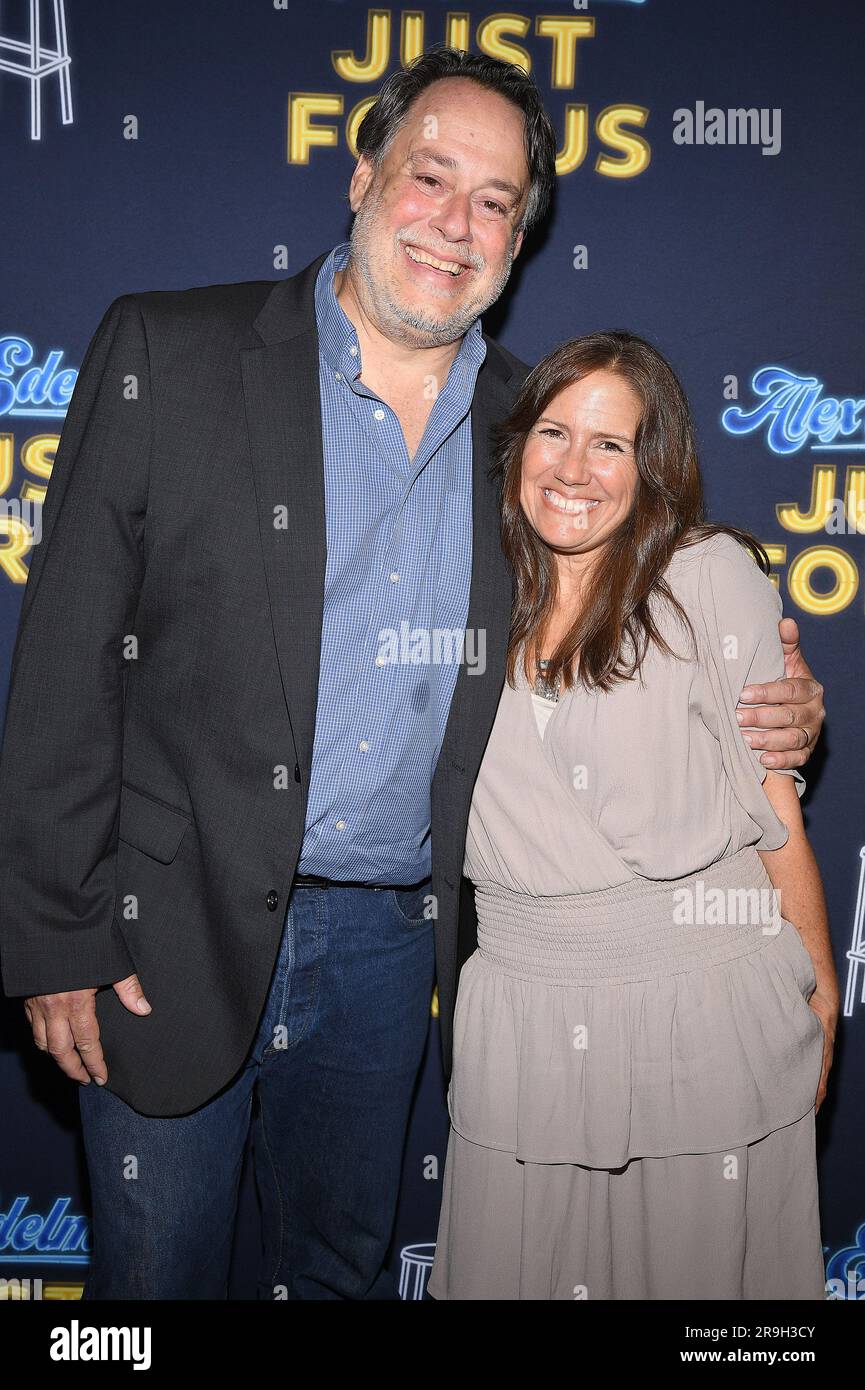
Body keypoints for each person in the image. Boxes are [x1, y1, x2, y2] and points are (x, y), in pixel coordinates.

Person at [0, 50, 826, 1301]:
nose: (457, 221)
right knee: (148, 1291)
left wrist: (775, 701)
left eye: (495, 200)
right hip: (165, 929)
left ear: (520, 234)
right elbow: (66, 656)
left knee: (337, 1276)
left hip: (393, 949)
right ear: (360, 175)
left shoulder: (526, 429)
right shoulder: (168, 351)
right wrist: (54, 932)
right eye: (431, 176)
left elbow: (640, 621)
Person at [428, 332, 838, 1301]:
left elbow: (773, 808)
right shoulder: (468, 586)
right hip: (520, 1021)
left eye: (610, 445)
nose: (574, 468)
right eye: (554, 432)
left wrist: (820, 994)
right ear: (514, 443)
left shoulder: (703, 580)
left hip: (699, 1007)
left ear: (651, 469)